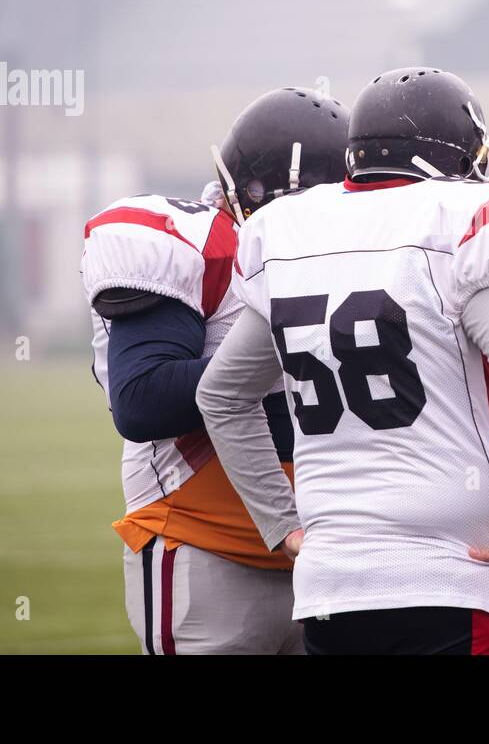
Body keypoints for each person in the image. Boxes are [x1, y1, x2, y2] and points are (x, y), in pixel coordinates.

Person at [196, 67, 489, 655]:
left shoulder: (288, 228)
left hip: (332, 588)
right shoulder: (465, 219)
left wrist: (282, 525)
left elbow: (221, 394)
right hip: (452, 577)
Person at [81, 86, 347, 653]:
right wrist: (289, 352)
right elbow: (142, 397)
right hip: (205, 548)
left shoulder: (364, 257)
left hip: (328, 557)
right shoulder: (196, 245)